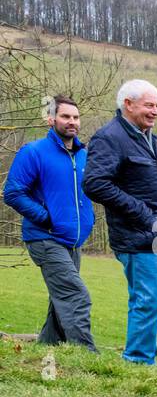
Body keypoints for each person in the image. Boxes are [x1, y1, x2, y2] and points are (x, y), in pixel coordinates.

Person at [82, 78, 157, 365]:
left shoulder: (147, 138)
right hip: (136, 234)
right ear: (128, 104)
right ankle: (137, 360)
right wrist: (143, 214)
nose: (156, 111)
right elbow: (95, 183)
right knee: (149, 300)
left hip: (155, 234)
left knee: (149, 300)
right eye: (149, 105)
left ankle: (145, 356)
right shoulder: (110, 137)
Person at [2, 94, 98, 351]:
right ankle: (86, 355)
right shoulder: (33, 152)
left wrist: (90, 220)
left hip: (73, 240)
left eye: (76, 117)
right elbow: (12, 192)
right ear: (51, 118)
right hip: (45, 238)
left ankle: (49, 347)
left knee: (61, 299)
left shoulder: (83, 156)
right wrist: (46, 218)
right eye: (65, 116)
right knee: (76, 296)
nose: (72, 122)